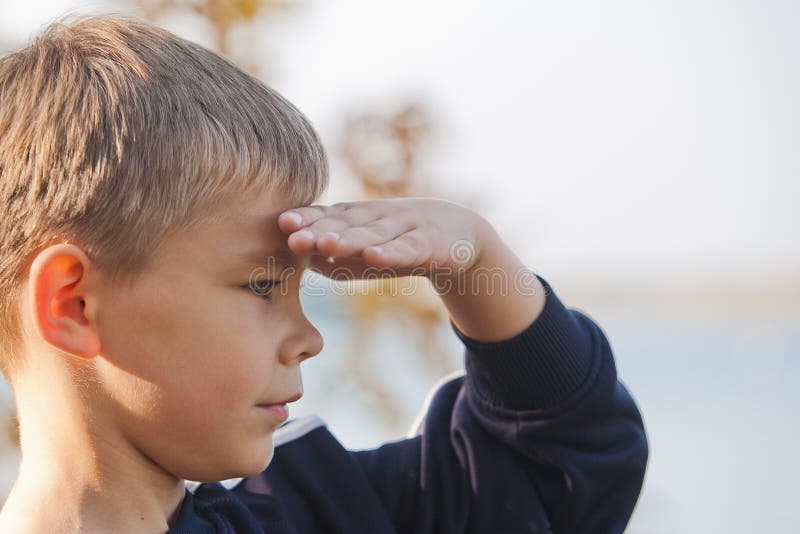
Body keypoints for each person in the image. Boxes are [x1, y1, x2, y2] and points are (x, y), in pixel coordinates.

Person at [0, 13, 648, 533]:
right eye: (261, 285)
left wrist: (475, 257)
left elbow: (563, 471)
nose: (311, 337)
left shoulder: (318, 510)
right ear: (74, 304)